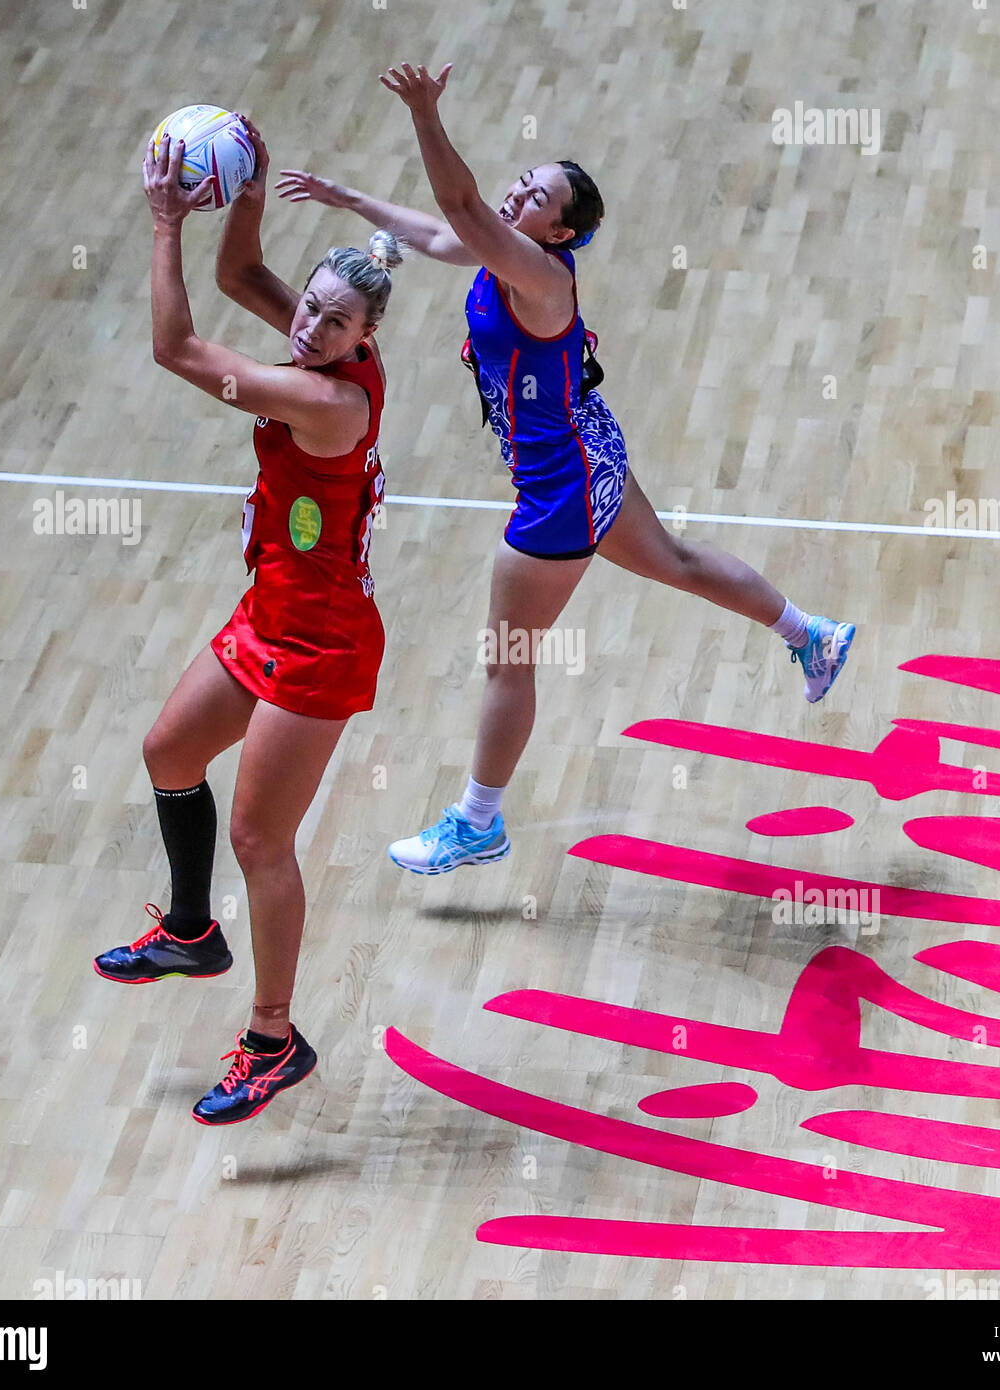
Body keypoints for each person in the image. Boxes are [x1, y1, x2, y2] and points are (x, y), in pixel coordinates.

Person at [277, 63, 854, 878]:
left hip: (559, 490)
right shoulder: (502, 259)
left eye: (537, 195)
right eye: (522, 182)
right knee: (679, 562)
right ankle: (811, 635)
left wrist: (424, 114)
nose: (518, 194)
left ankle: (477, 821)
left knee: (508, 657)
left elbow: (459, 209)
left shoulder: (539, 279)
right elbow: (442, 233)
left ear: (558, 232)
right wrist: (350, 199)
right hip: (591, 450)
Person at [93, 120, 402, 1122]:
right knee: (167, 749)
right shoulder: (329, 349)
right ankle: (190, 930)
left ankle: (274, 1036)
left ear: (363, 341)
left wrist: (162, 222)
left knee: (261, 842)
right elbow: (244, 274)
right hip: (269, 610)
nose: (308, 326)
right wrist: (254, 189)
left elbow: (174, 344)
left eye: (331, 321)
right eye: (308, 307)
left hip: (319, 649)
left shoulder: (324, 401)